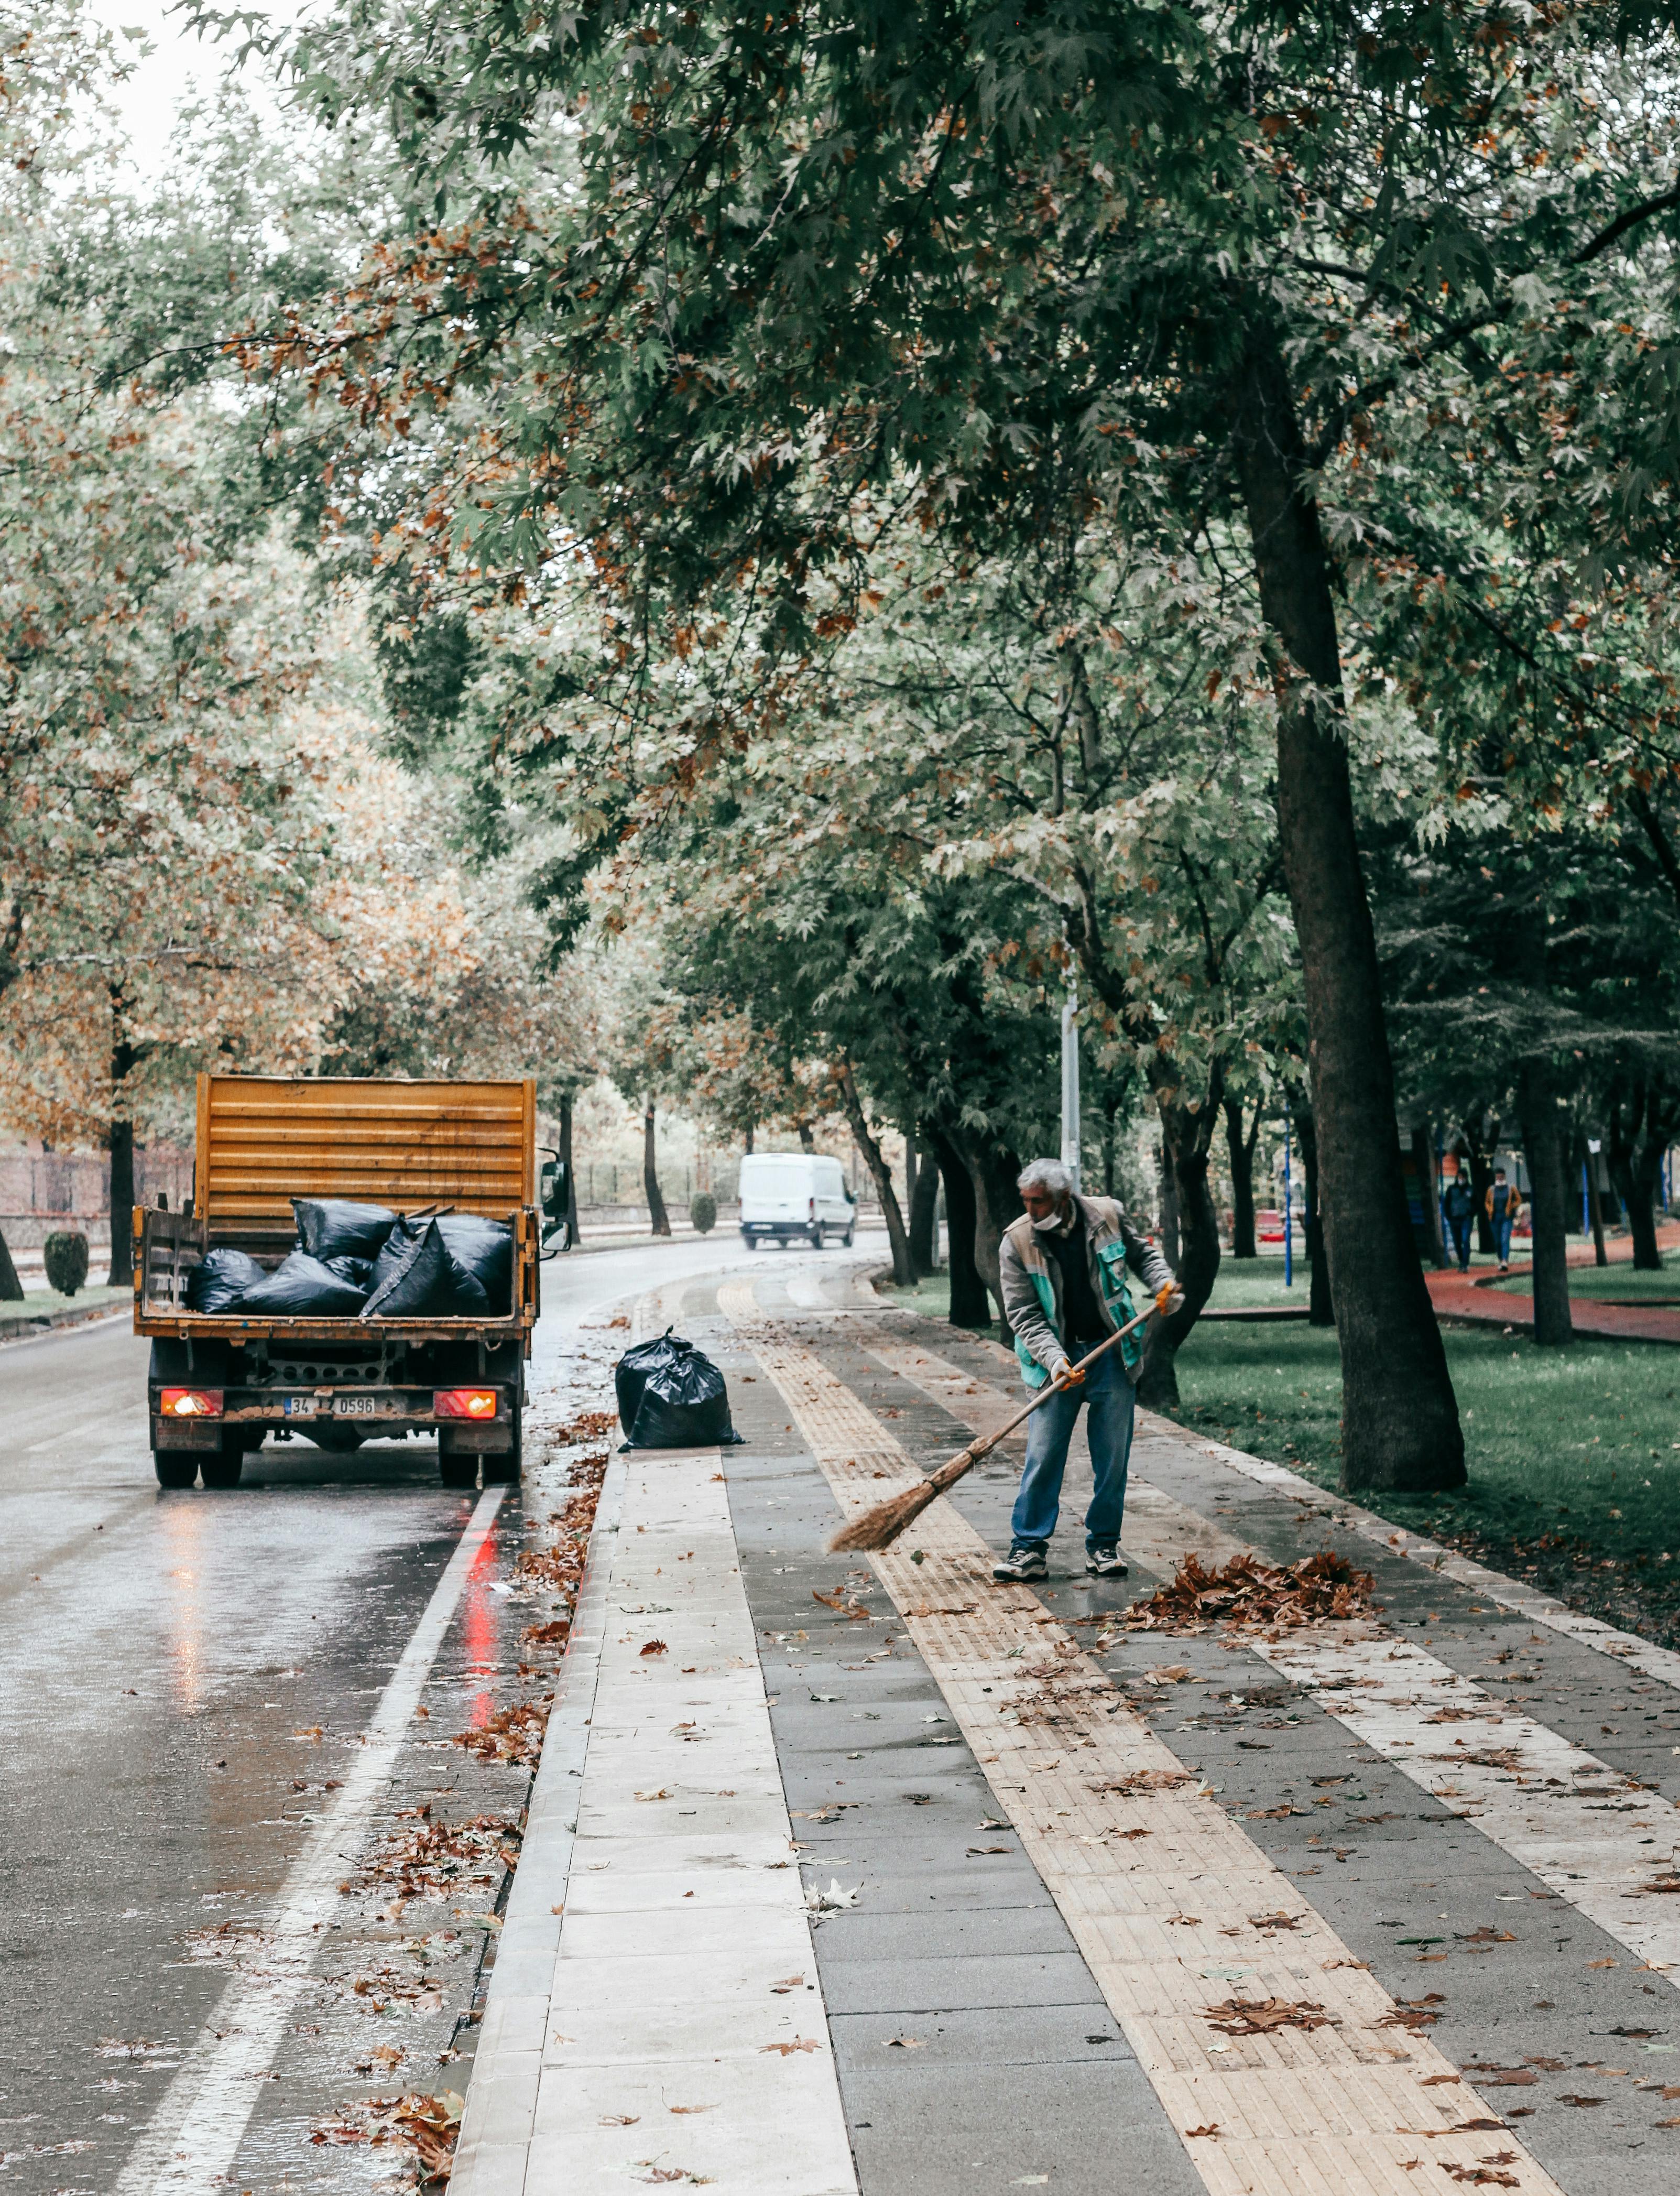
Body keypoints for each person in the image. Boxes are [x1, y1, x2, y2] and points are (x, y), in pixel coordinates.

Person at [993, 1159, 1183, 1583]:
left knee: (1113, 1458)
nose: (1030, 1209)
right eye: (1025, 1200)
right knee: (1043, 1456)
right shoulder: (1017, 1241)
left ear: (1063, 1197)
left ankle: (1103, 1545)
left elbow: (1143, 1255)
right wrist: (1055, 1360)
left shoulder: (1107, 1216)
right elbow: (1022, 1314)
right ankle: (1028, 1549)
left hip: (1112, 1355)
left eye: (1038, 1201)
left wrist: (1163, 1285)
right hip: (1054, 1363)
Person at [1486, 1167, 1519, 1272]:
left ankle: (1505, 1260)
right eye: (1498, 1177)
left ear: (1504, 1176)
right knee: (1498, 1241)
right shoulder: (1491, 1189)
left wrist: (1512, 1206)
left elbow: (1518, 1200)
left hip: (1507, 1217)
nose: (1499, 1178)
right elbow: (1487, 1202)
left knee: (1505, 1239)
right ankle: (1500, 1259)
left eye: (1501, 1176)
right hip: (1495, 1218)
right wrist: (1490, 1208)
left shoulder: (1511, 1188)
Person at [1442, 1169, 1475, 1274]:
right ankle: (1462, 1261)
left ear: (1466, 1178)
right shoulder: (1451, 1189)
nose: (1461, 1179)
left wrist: (1471, 1213)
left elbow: (1476, 1203)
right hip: (1454, 1219)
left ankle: (1465, 1264)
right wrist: (1449, 1216)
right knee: (1457, 1243)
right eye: (1460, 1177)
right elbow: (1446, 1203)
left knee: (1465, 1240)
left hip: (1466, 1219)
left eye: (1463, 1177)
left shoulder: (1471, 1189)